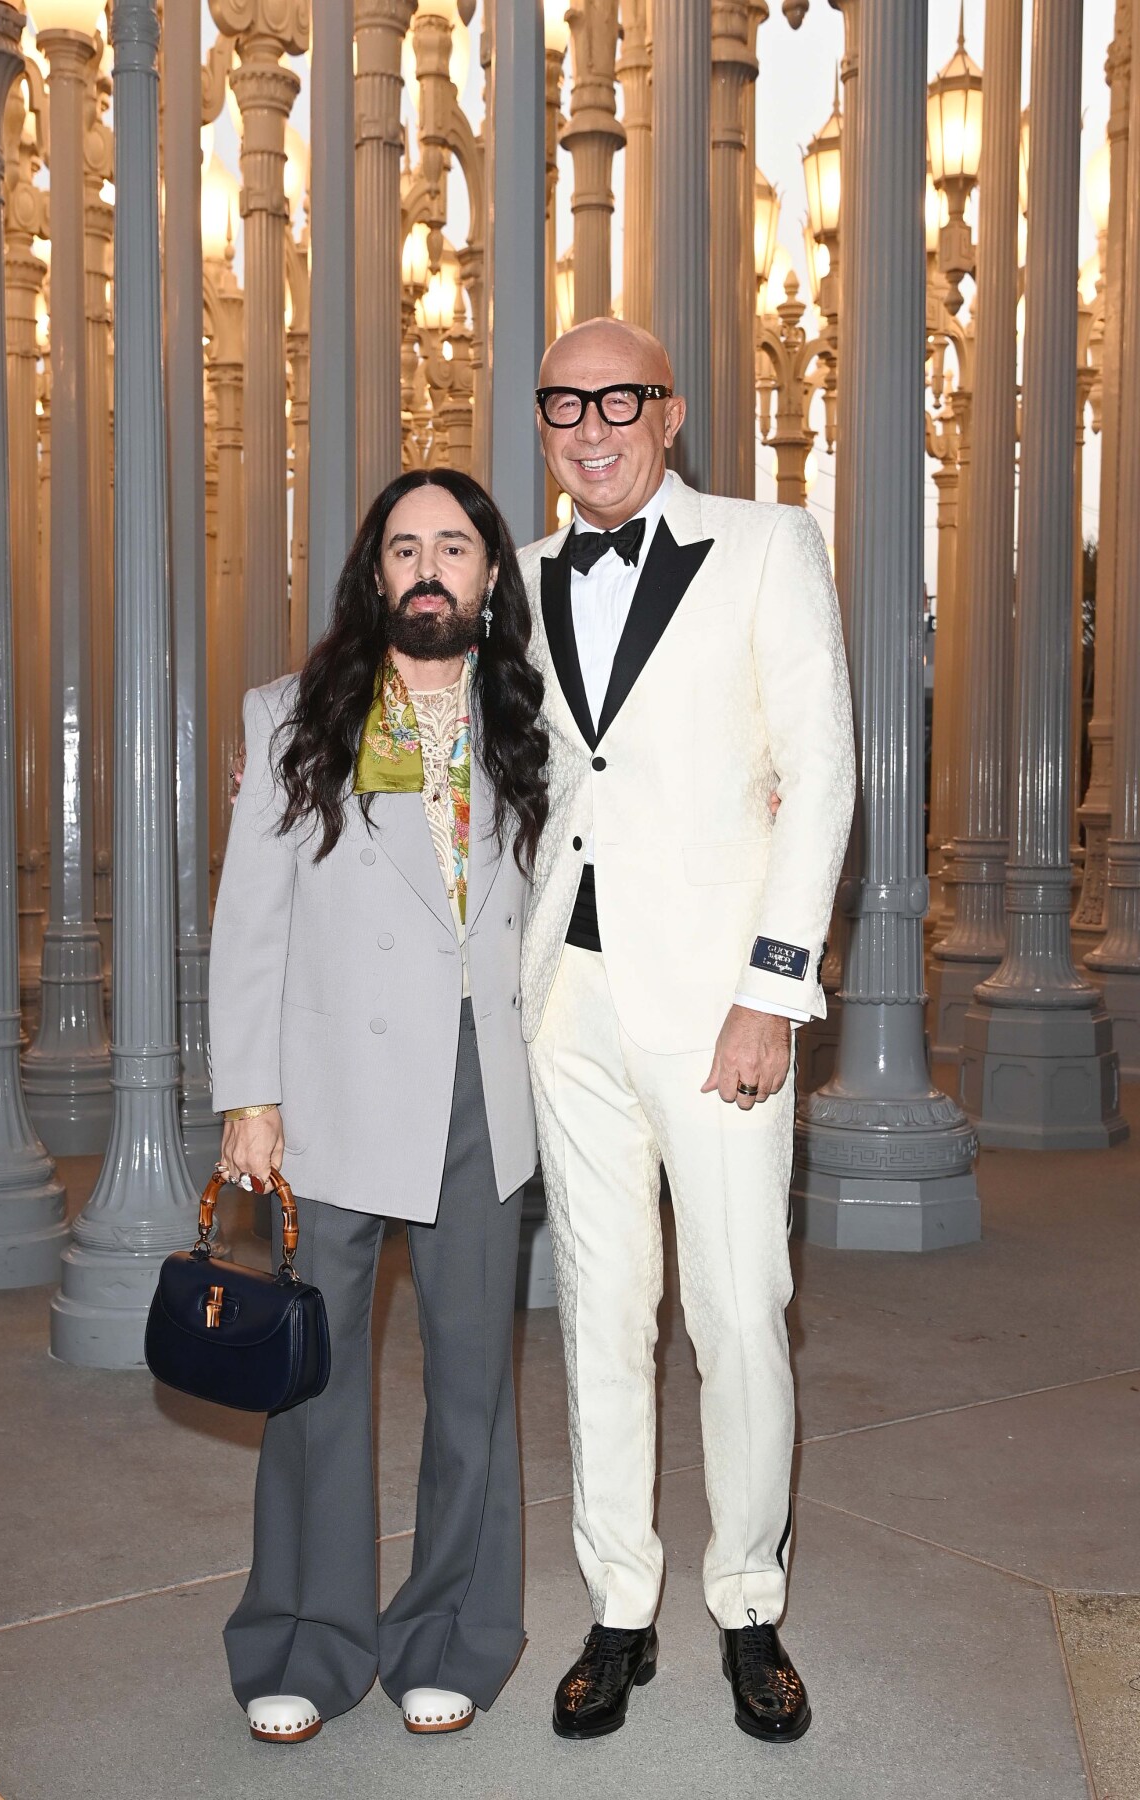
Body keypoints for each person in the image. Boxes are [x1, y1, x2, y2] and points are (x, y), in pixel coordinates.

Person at [518, 318, 855, 1744]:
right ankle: (617, 1607)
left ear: (668, 410)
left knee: (735, 1312)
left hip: (721, 1007)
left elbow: (822, 776)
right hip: (569, 1003)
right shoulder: (522, 582)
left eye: (619, 400)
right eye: (563, 404)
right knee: (599, 1311)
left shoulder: (770, 546)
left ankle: (749, 1605)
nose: (591, 426)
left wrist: (772, 993)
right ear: (542, 425)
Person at [209, 469, 549, 1743]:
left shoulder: (530, 722)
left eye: (451, 547)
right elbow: (251, 923)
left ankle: (455, 1631)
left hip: (483, 1092)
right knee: (315, 1376)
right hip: (333, 1093)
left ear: (489, 577)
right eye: (403, 547)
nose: (427, 568)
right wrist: (249, 1092)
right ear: (373, 576)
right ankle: (304, 1636)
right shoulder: (299, 714)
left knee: (473, 1386)